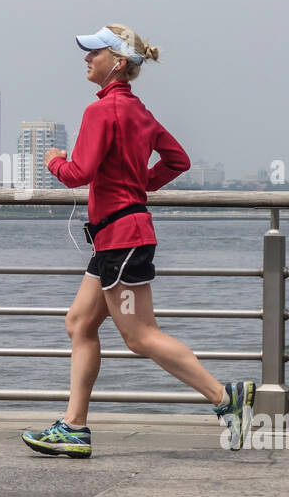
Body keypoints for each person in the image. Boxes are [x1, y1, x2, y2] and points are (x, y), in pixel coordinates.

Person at [21, 24, 254, 458]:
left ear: (119, 63)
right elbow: (177, 160)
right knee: (79, 323)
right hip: (117, 237)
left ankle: (226, 399)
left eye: (95, 52)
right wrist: (138, 184)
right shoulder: (138, 111)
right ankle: (74, 428)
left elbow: (79, 173)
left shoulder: (101, 112)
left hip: (122, 240)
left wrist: (53, 160)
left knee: (140, 336)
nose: (86, 58)